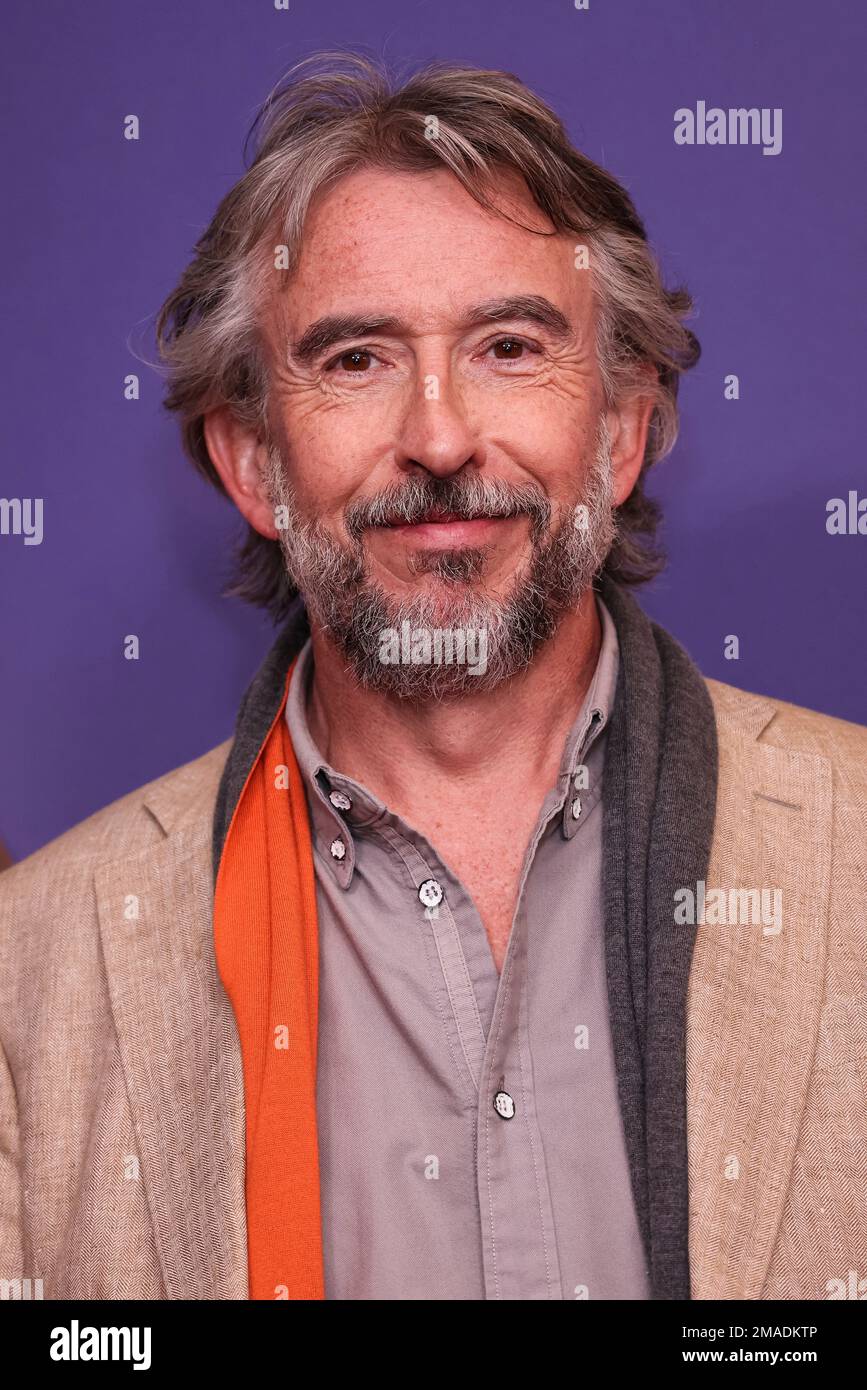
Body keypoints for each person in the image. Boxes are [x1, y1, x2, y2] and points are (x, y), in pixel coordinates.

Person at [1, 53, 865, 1303]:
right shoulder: (32, 969)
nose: (441, 436)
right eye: (356, 359)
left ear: (622, 431)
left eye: (509, 347)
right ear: (254, 463)